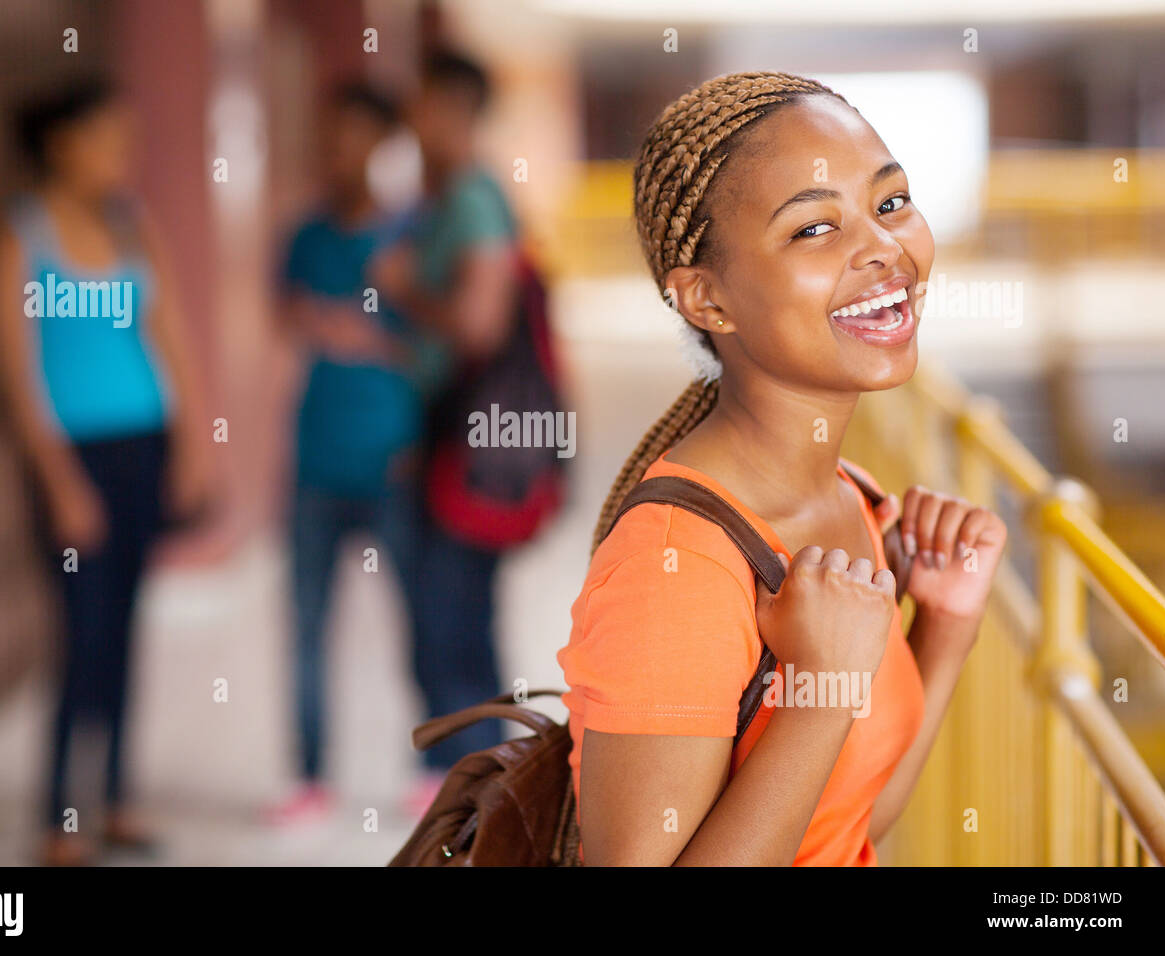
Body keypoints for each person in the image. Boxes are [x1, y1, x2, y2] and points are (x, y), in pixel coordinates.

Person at [557, 71, 1009, 866]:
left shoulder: (853, 501)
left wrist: (945, 625)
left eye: (891, 202)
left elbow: (847, 824)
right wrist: (822, 688)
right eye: (812, 230)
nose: (883, 249)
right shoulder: (679, 567)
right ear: (707, 301)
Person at [0, 77, 211, 865]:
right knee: (80, 634)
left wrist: (189, 444)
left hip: (142, 449)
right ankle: (58, 817)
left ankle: (116, 800)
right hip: (70, 460)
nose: (123, 155)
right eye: (107, 139)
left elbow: (170, 335)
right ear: (61, 144)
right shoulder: (23, 237)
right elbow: (20, 380)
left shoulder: (130, 226)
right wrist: (58, 482)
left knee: (124, 630)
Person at [269, 83, 434, 822]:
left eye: (356, 136)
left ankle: (430, 767)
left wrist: (372, 331)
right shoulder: (305, 236)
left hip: (395, 461)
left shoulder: (413, 235)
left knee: (418, 617)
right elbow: (287, 316)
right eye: (330, 135)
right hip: (314, 464)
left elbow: (441, 338)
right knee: (305, 627)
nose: (340, 151)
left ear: (382, 145)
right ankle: (309, 779)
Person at [369, 50, 522, 797]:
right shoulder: (441, 198)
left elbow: (480, 324)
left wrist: (403, 291)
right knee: (453, 608)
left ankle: (472, 779)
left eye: (425, 104)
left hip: (469, 441)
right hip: (448, 436)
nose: (413, 121)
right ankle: (473, 774)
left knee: (453, 611)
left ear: (455, 111)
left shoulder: (471, 200)